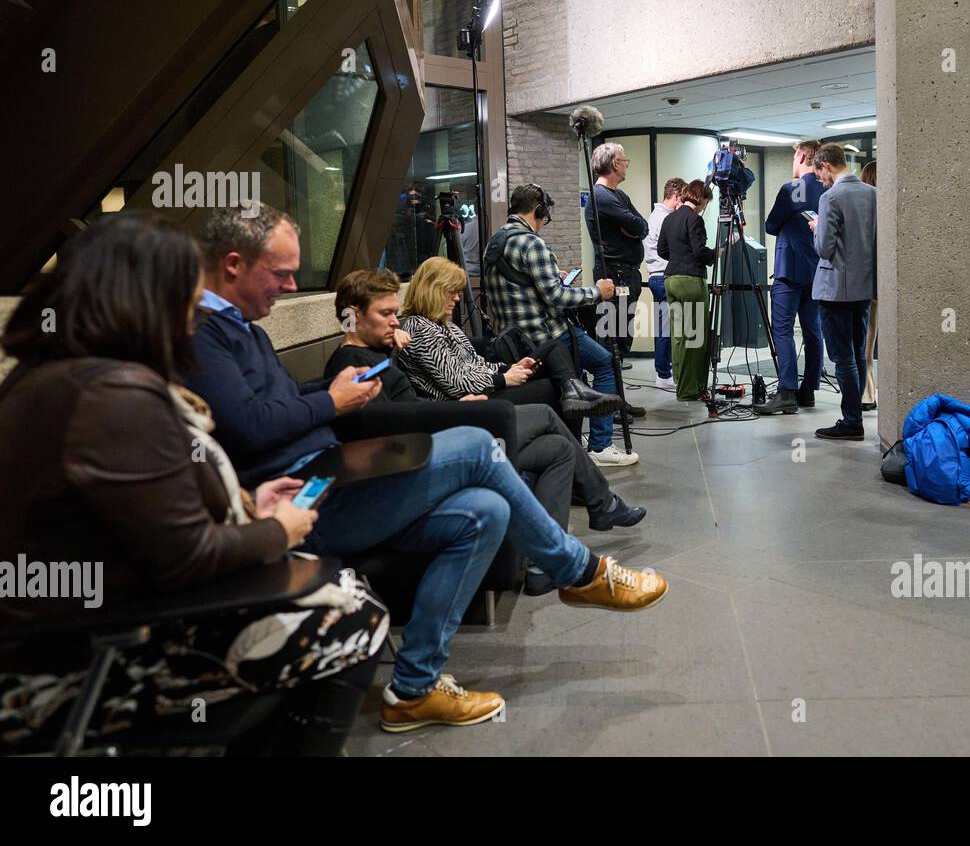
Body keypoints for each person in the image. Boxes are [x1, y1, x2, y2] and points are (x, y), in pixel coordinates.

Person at [185, 204, 667, 731]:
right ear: (233, 265)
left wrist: (328, 392)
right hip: (300, 504)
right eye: (280, 274)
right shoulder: (205, 336)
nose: (293, 284)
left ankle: (413, 689)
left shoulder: (246, 330)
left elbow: (278, 403)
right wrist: (332, 401)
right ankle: (578, 571)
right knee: (480, 447)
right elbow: (250, 427)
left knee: (485, 510)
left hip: (328, 474)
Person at [0, 213, 385, 756]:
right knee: (349, 611)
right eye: (188, 292)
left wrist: (248, 503)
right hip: (76, 661)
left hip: (73, 627)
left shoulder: (54, 375)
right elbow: (185, 556)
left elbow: (138, 517)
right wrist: (278, 530)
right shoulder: (113, 395)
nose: (197, 309)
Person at [324, 263, 646, 538]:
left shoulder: (377, 352)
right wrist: (470, 398)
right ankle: (600, 504)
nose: (395, 321)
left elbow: (417, 391)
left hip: (452, 418)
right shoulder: (353, 364)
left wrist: (390, 342)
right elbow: (395, 422)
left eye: (395, 313)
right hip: (447, 429)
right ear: (352, 317)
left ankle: (553, 553)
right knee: (548, 410)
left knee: (559, 448)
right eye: (386, 314)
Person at [484, 184, 641, 466]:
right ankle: (601, 445)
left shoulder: (496, 242)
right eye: (545, 215)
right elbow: (557, 297)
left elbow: (522, 286)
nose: (544, 222)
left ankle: (574, 437)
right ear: (538, 210)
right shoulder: (533, 244)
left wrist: (554, 275)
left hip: (512, 340)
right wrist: (597, 292)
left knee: (578, 371)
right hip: (546, 337)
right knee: (606, 363)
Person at [808, 143, 876, 441]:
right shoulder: (872, 194)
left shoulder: (830, 197)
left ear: (825, 165)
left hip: (835, 289)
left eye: (818, 172)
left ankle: (851, 421)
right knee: (859, 353)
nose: (819, 179)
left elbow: (824, 248)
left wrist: (817, 226)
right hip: (863, 287)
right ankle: (855, 414)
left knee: (843, 357)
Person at [756, 139, 825, 415]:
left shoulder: (791, 189)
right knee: (813, 331)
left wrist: (789, 220)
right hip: (817, 270)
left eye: (794, 157)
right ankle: (808, 391)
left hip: (789, 271)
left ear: (803, 157)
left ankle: (787, 391)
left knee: (783, 330)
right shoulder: (826, 190)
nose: (792, 163)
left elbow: (771, 225)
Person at [657, 179, 725, 402]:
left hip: (670, 279)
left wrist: (678, 258)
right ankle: (690, 389)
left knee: (679, 337)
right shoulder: (694, 219)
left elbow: (662, 250)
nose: (706, 206)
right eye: (706, 202)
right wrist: (716, 253)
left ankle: (680, 382)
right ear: (701, 198)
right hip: (690, 282)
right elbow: (699, 251)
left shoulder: (669, 218)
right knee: (695, 338)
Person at [586, 142, 649, 367]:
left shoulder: (618, 196)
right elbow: (637, 226)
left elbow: (642, 227)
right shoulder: (602, 197)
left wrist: (634, 229)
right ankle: (610, 393)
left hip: (625, 273)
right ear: (615, 164)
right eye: (625, 161)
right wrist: (633, 229)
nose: (626, 166)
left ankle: (615, 389)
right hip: (616, 274)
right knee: (614, 333)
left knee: (622, 332)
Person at [644, 177, 685, 390]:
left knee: (666, 327)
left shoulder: (657, 216)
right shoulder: (663, 219)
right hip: (662, 276)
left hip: (657, 276)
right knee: (666, 329)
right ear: (677, 197)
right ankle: (663, 373)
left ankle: (665, 370)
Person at [858, 160, 879, 412]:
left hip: (867, 286)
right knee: (869, 344)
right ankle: (869, 393)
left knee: (864, 344)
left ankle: (866, 395)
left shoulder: (866, 209)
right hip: (882, 286)